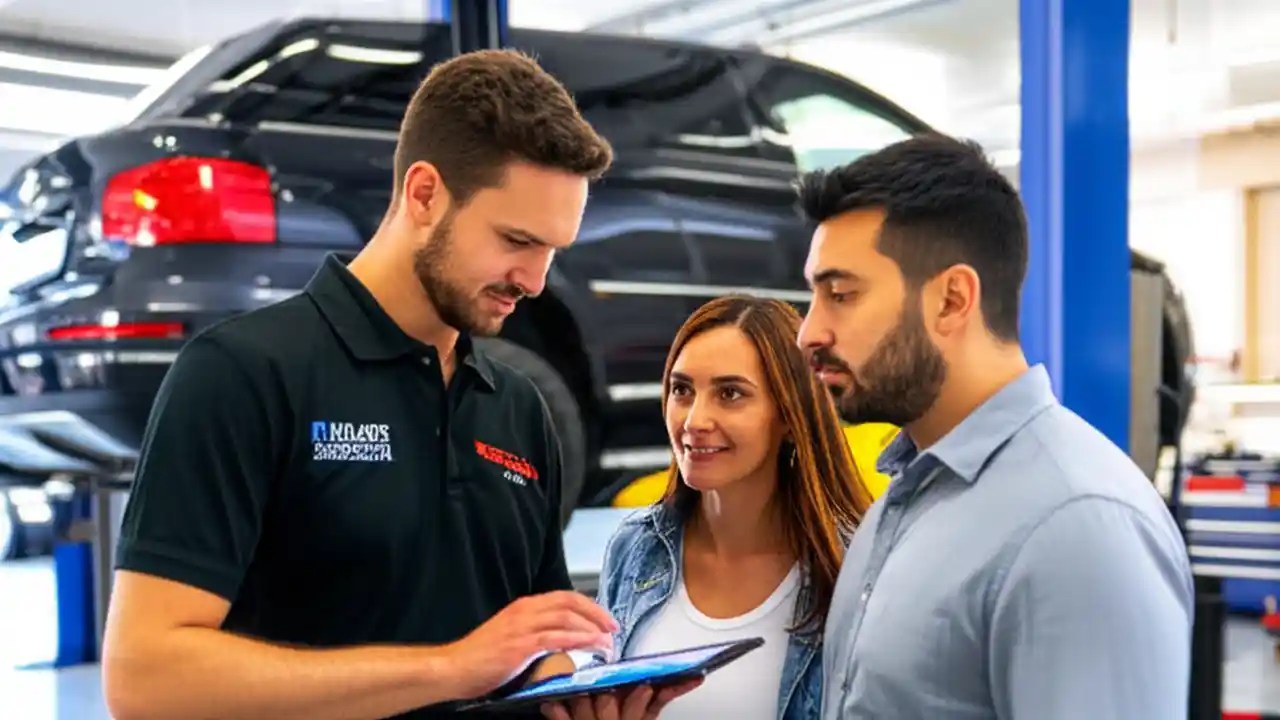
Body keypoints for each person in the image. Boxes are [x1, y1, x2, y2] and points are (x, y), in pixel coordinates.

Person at [102, 49, 619, 720]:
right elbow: (145, 680)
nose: (536, 281)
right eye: (516, 240)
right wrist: (448, 669)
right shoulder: (241, 375)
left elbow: (531, 647)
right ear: (424, 194)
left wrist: (577, 693)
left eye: (552, 250)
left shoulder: (518, 409)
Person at [795, 134, 1195, 719]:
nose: (809, 332)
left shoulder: (1077, 526)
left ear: (952, 300)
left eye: (841, 294)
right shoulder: (904, 501)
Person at [542, 296, 876, 720]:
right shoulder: (637, 546)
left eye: (730, 393)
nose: (695, 421)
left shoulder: (852, 567)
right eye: (682, 390)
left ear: (791, 417)